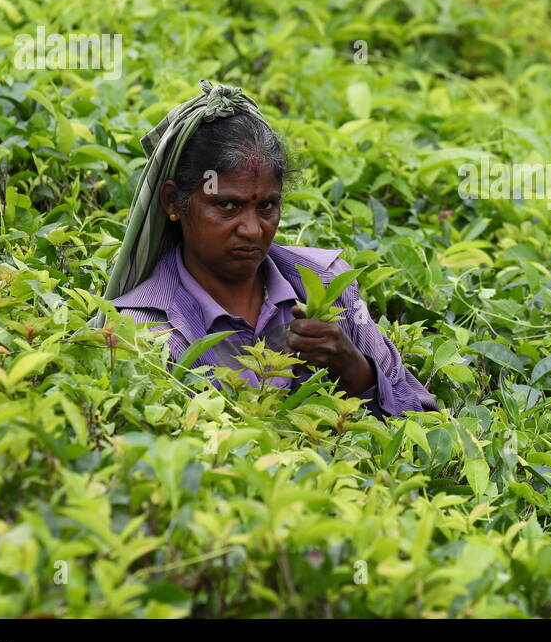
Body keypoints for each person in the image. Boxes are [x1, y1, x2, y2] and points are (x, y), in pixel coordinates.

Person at [101, 80, 437, 418]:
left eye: (266, 206)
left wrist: (354, 370)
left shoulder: (326, 284)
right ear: (174, 201)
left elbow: (425, 421)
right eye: (227, 206)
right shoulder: (142, 327)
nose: (252, 230)